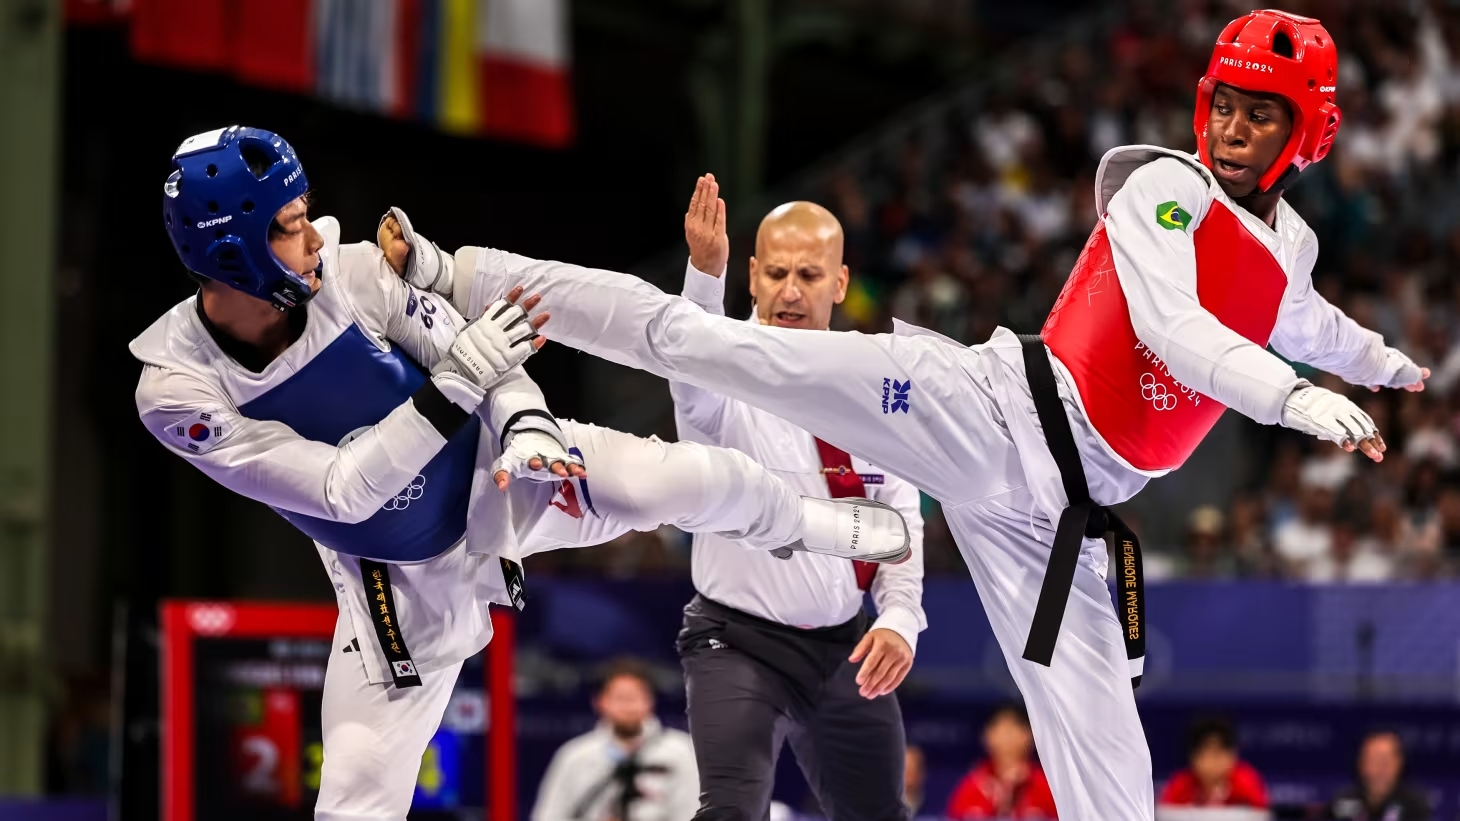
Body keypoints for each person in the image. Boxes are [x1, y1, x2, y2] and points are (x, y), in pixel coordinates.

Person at [429, 10, 1431, 819]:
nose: (1230, 129)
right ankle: (469, 272)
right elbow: (1173, 330)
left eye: (1261, 115)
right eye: (1224, 106)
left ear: (1306, 131)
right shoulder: (1163, 189)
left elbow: (1298, 315)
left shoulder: (1285, 243)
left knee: (1103, 747)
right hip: (988, 412)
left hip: (1059, 516)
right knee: (718, 345)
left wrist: (1382, 362)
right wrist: (1293, 397)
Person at [130, 127, 912, 821]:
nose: (313, 238)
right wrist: (458, 384)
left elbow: (484, 353)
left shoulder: (355, 272)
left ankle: (817, 524)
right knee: (356, 796)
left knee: (689, 477)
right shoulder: (178, 392)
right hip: (393, 575)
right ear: (230, 249)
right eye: (289, 226)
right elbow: (343, 490)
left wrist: (528, 422)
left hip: (500, 468)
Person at [671, 185, 925, 821]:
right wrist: (704, 277)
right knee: (731, 812)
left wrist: (898, 618)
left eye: (808, 275)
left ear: (840, 282)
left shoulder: (877, 384)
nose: (790, 291)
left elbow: (901, 517)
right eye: (777, 273)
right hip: (736, 644)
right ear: (752, 277)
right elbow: (689, 374)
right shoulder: (721, 368)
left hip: (845, 648)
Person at [531, 660, 698, 821]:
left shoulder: (681, 751)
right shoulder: (575, 755)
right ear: (600, 702)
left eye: (635, 697)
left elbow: (692, 813)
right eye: (620, 698)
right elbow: (547, 816)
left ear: (650, 701)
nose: (628, 707)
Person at [944, 704, 1057, 820]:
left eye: (1013, 729)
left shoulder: (1048, 787)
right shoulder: (970, 787)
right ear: (987, 736)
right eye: (1001, 729)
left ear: (1029, 735)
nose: (1007, 737)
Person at [1158, 717, 1268, 808]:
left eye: (1217, 754)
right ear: (1192, 757)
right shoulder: (1179, 786)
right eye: (1204, 755)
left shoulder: (1247, 782)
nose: (1211, 763)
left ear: (1233, 754)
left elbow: (1260, 811)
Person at [1330, 731, 1431, 821]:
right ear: (1361, 764)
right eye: (1374, 761)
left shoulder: (1414, 805)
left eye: (1385, 762)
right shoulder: (1346, 801)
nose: (1380, 769)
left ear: (1399, 764)